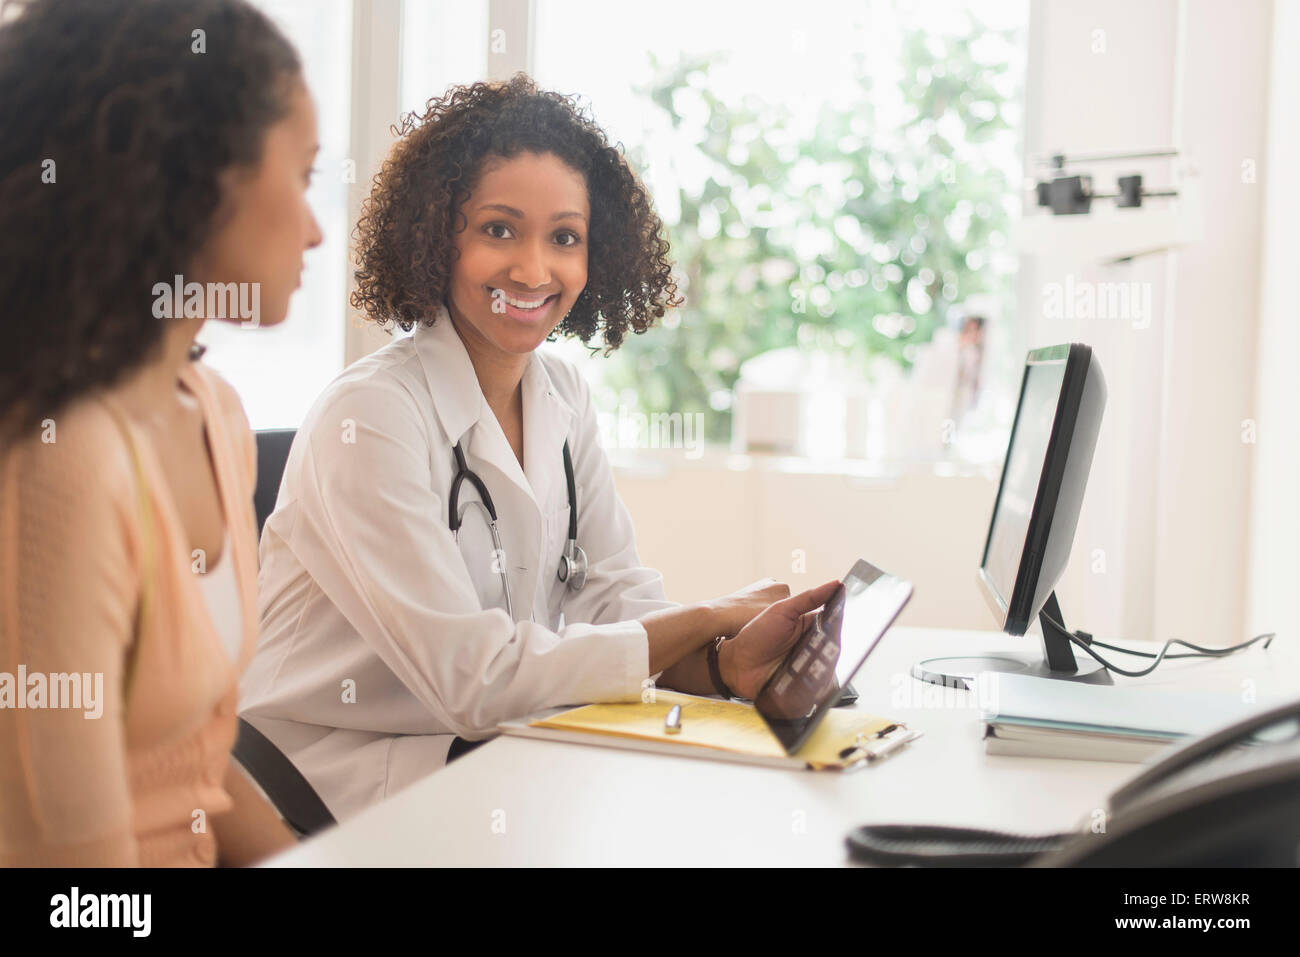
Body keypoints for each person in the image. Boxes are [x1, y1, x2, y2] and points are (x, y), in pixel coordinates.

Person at [240, 74, 839, 820]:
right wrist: (707, 615)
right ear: (436, 235)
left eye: (564, 237)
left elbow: (614, 599)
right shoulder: (370, 416)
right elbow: (475, 682)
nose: (533, 269)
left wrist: (720, 661)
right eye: (498, 229)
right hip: (317, 784)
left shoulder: (560, 394)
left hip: (476, 753)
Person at [0, 0, 322, 866]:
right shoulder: (59, 462)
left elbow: (196, 764)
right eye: (305, 176)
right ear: (198, 173)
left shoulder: (214, 412)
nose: (317, 229)